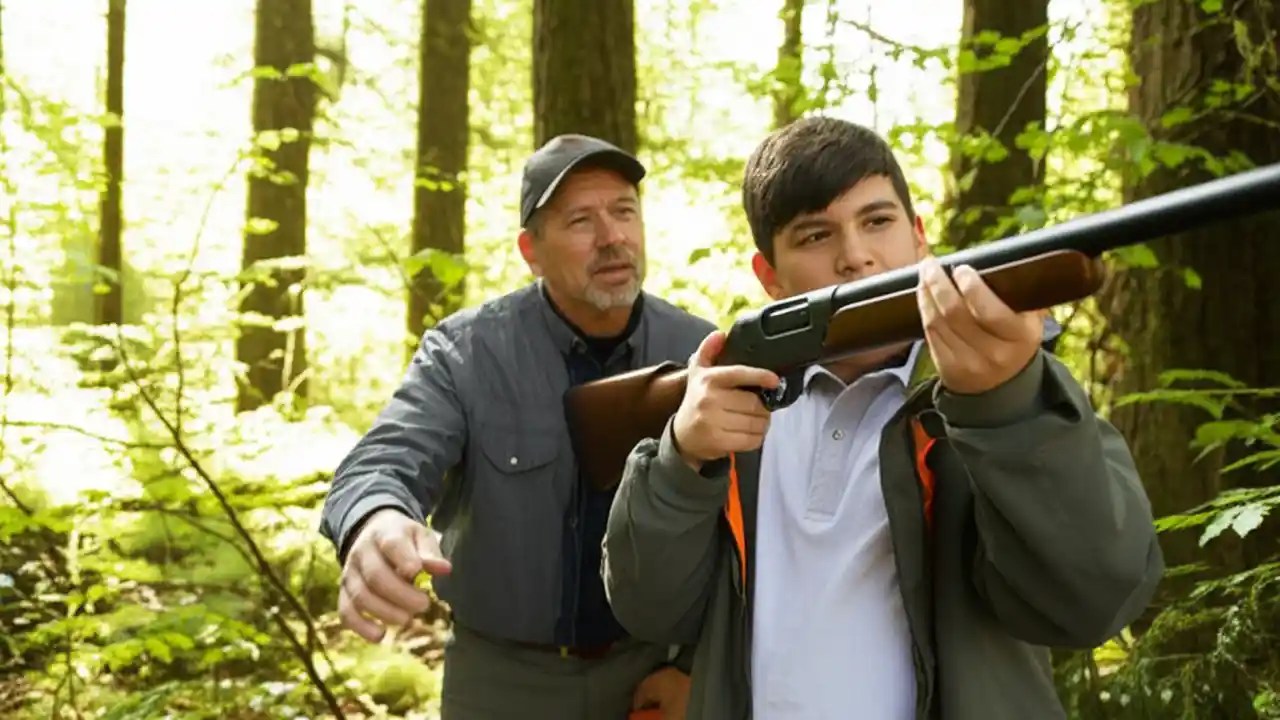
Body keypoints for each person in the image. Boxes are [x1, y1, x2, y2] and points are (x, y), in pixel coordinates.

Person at [600, 116, 1165, 719]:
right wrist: (681, 460)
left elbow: (1092, 602)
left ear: (919, 237)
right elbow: (649, 609)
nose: (856, 257)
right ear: (769, 276)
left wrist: (1006, 406)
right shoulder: (732, 408)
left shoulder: (1007, 389)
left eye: (877, 221)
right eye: (815, 236)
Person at [319, 133, 713, 719]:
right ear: (531, 251)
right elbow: (383, 461)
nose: (612, 238)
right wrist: (374, 520)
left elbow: (745, 534)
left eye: (624, 212)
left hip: (651, 676)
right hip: (500, 682)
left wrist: (693, 671)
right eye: (581, 220)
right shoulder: (465, 353)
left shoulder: (700, 351)